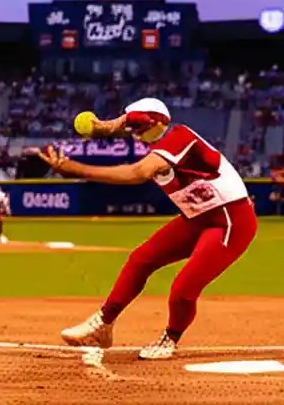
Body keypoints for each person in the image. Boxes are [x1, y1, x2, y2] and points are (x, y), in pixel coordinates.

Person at [36, 97, 256, 361]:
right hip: (196, 219)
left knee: (183, 289)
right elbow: (136, 128)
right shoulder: (158, 148)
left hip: (230, 220)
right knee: (141, 259)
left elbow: (137, 173)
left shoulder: (179, 136)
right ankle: (102, 325)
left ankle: (170, 339)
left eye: (139, 129)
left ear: (156, 122)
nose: (136, 135)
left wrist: (79, 167)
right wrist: (104, 128)